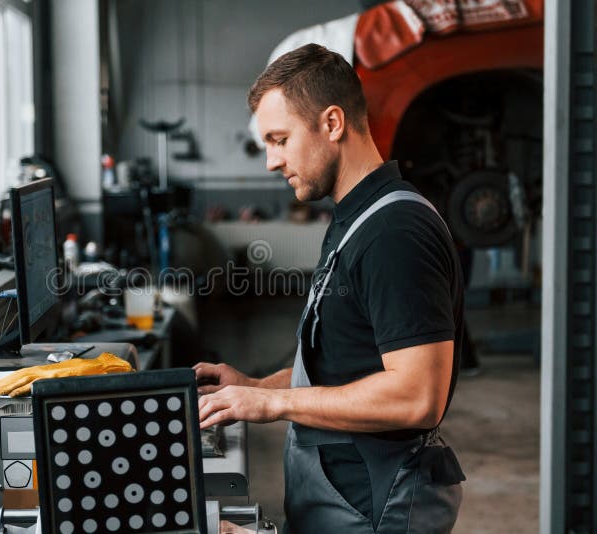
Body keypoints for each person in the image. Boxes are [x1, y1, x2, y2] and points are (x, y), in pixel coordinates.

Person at [194, 43, 465, 533]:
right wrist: (254, 387)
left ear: (333, 123)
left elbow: (417, 395)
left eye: (280, 139)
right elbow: (347, 366)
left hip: (377, 504)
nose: (271, 162)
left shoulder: (395, 232)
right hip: (345, 498)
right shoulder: (356, 219)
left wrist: (274, 404)